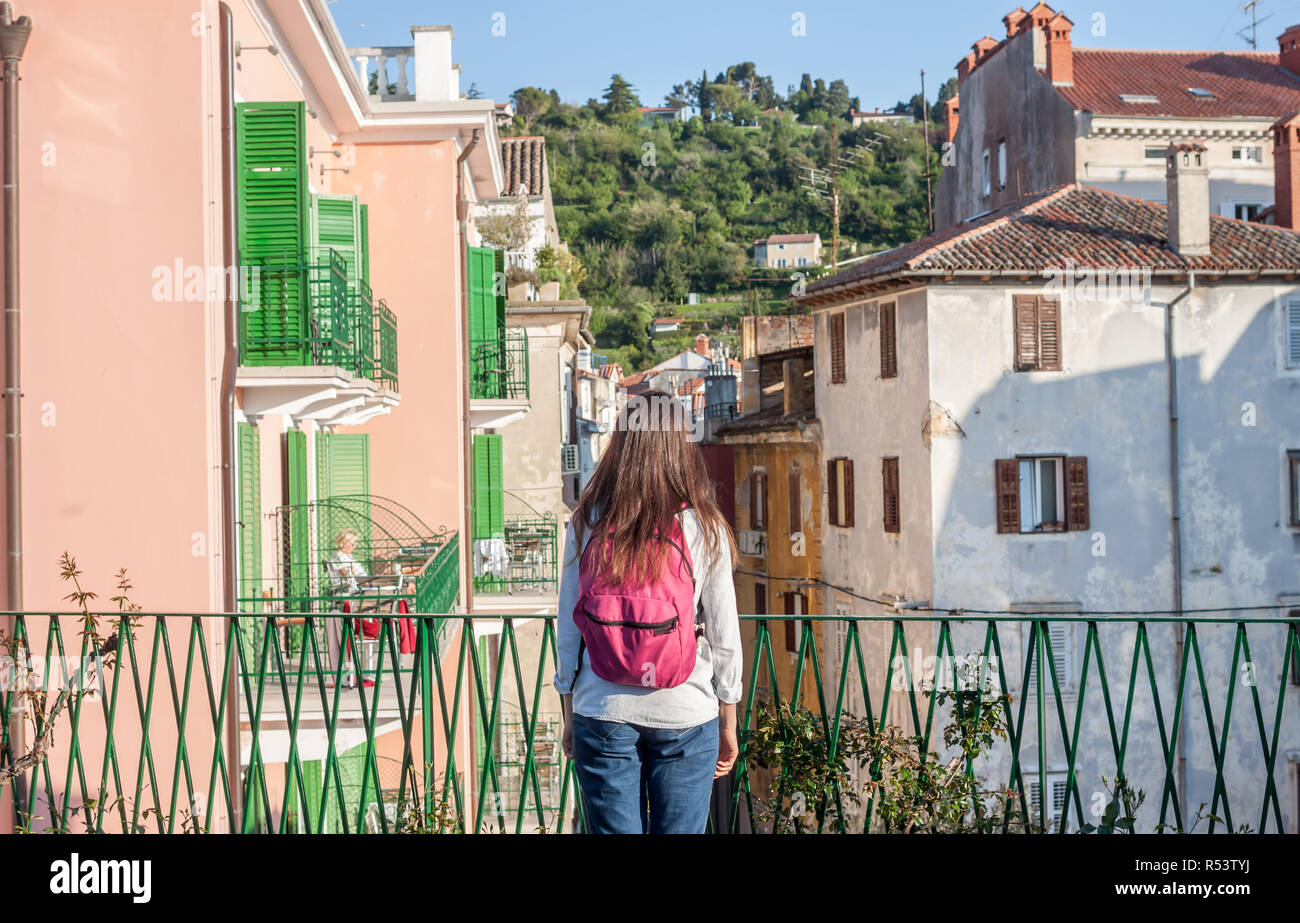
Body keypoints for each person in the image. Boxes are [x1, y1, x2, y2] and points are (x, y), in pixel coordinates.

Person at [555, 389, 742, 834]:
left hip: (601, 709)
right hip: (686, 712)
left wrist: (569, 711)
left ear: (621, 443)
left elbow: (568, 627)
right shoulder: (703, 525)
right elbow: (723, 633)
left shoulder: (587, 521)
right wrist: (728, 720)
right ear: (680, 447)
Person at [326, 528, 367, 688]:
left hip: (357, 593)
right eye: (352, 543)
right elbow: (348, 576)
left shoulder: (347, 556)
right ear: (344, 542)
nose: (354, 546)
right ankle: (351, 674)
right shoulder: (339, 556)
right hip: (349, 596)